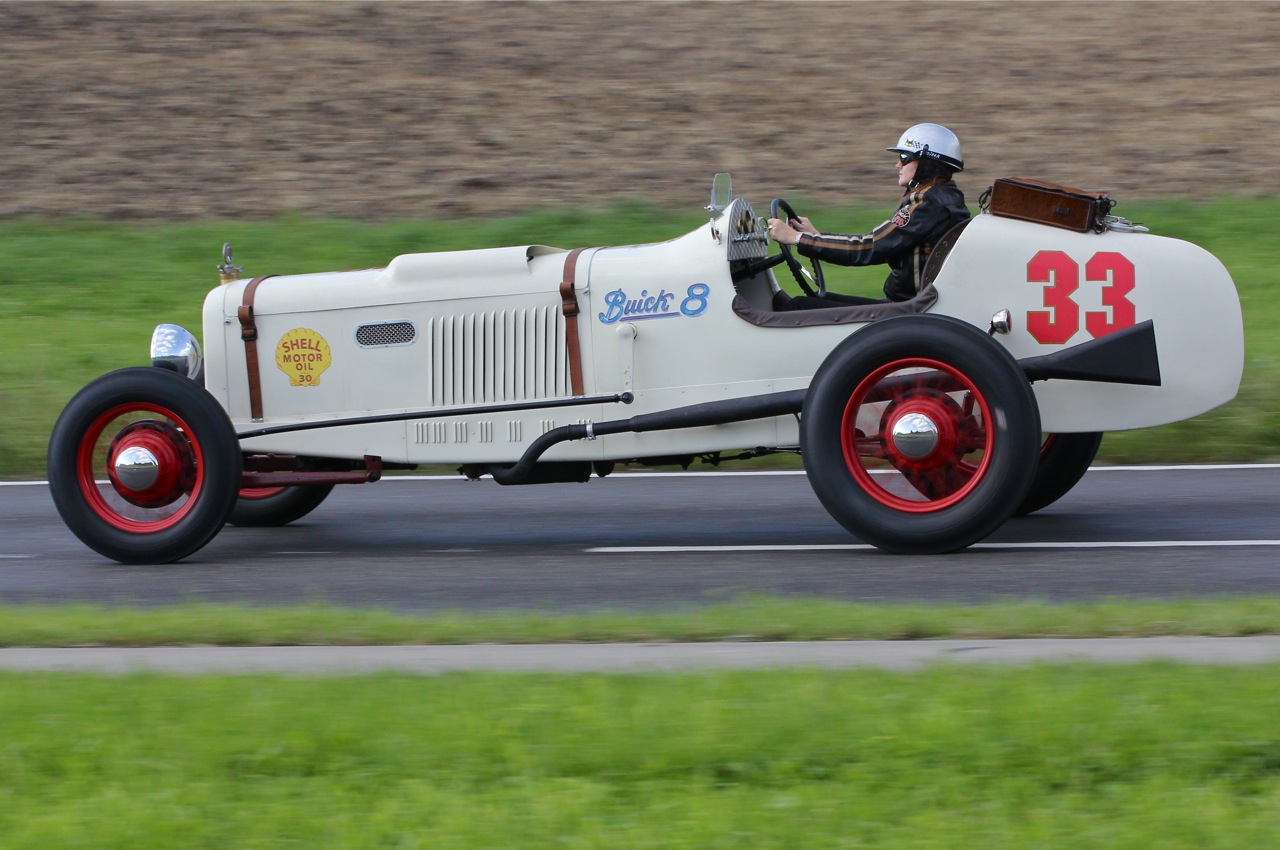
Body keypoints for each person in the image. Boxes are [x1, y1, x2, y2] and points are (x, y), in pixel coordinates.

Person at [766, 122, 970, 309]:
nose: (897, 165)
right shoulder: (946, 199)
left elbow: (869, 247)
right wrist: (815, 236)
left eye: (904, 158)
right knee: (806, 302)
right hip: (913, 305)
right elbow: (879, 246)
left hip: (909, 311)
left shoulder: (928, 204)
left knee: (797, 307)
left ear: (927, 163)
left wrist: (797, 238)